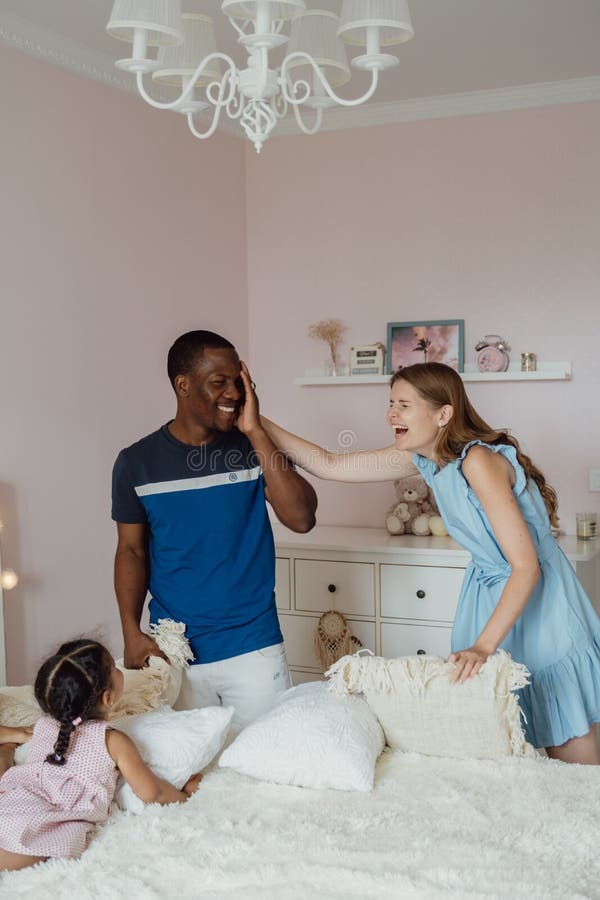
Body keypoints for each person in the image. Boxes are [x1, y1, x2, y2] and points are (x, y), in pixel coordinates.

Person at [252, 362, 600, 764]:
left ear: (443, 414)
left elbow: (526, 567)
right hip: (489, 598)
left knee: (571, 756)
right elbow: (330, 464)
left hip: (539, 605)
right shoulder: (427, 460)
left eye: (403, 405)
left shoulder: (478, 462)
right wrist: (253, 419)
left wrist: (482, 647)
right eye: (390, 404)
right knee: (504, 745)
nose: (391, 415)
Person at [112, 330, 317, 731]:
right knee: (189, 775)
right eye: (219, 382)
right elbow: (130, 552)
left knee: (266, 764)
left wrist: (256, 431)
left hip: (254, 647)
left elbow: (302, 518)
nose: (233, 393)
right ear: (183, 385)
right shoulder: (136, 463)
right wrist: (129, 631)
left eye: (239, 382)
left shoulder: (252, 447)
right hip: (177, 653)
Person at [0, 639, 201, 872]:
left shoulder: (46, 724)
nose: (119, 670)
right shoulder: (113, 741)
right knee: (28, 842)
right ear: (108, 698)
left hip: (14, 794)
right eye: (115, 669)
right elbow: (151, 791)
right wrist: (184, 796)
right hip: (43, 817)